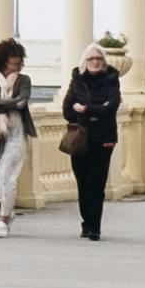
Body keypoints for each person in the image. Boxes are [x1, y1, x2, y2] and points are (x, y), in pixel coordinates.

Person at [61, 40, 127, 240]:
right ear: (85, 61)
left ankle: (95, 226)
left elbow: (112, 107)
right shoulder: (77, 78)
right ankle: (86, 223)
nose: (96, 62)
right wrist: (94, 110)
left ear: (104, 61)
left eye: (99, 58)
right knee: (82, 181)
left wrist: (86, 109)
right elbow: (67, 109)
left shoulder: (111, 78)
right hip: (80, 137)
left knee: (96, 183)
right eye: (91, 58)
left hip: (103, 137)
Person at [0, 36, 35, 233]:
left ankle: (3, 220)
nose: (17, 66)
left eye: (19, 62)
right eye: (13, 62)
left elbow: (22, 102)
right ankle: (7, 210)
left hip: (17, 131)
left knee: (7, 176)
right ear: (2, 61)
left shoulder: (24, 80)